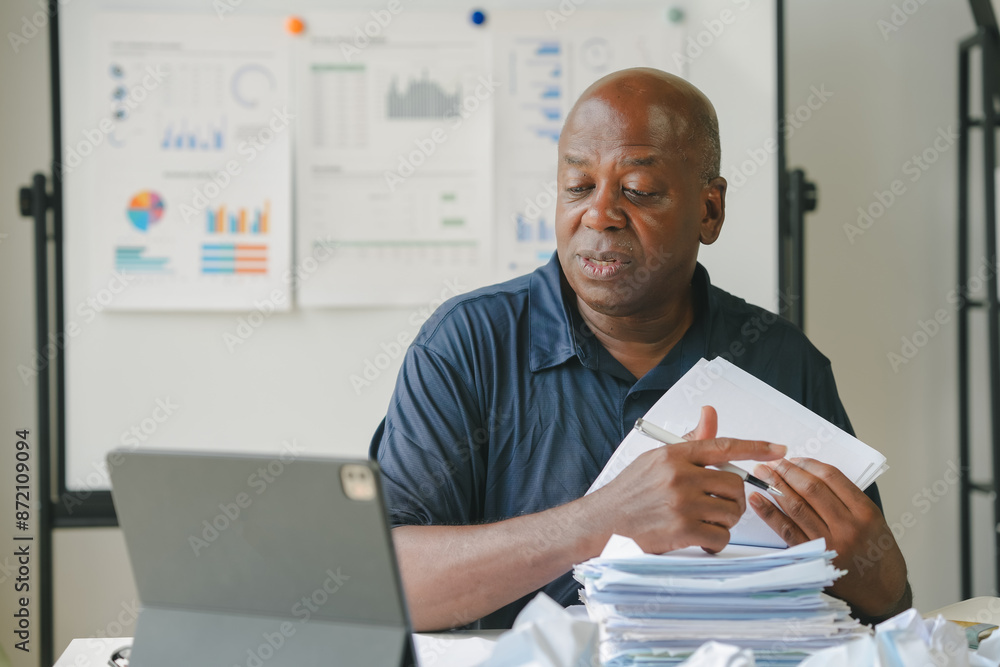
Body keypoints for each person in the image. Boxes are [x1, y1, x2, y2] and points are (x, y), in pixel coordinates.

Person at [370, 67, 911, 632]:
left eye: (639, 191)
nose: (599, 214)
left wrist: (875, 571)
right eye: (578, 187)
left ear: (709, 211)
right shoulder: (467, 344)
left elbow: (887, 611)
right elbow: (388, 587)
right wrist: (602, 520)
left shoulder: (780, 359)